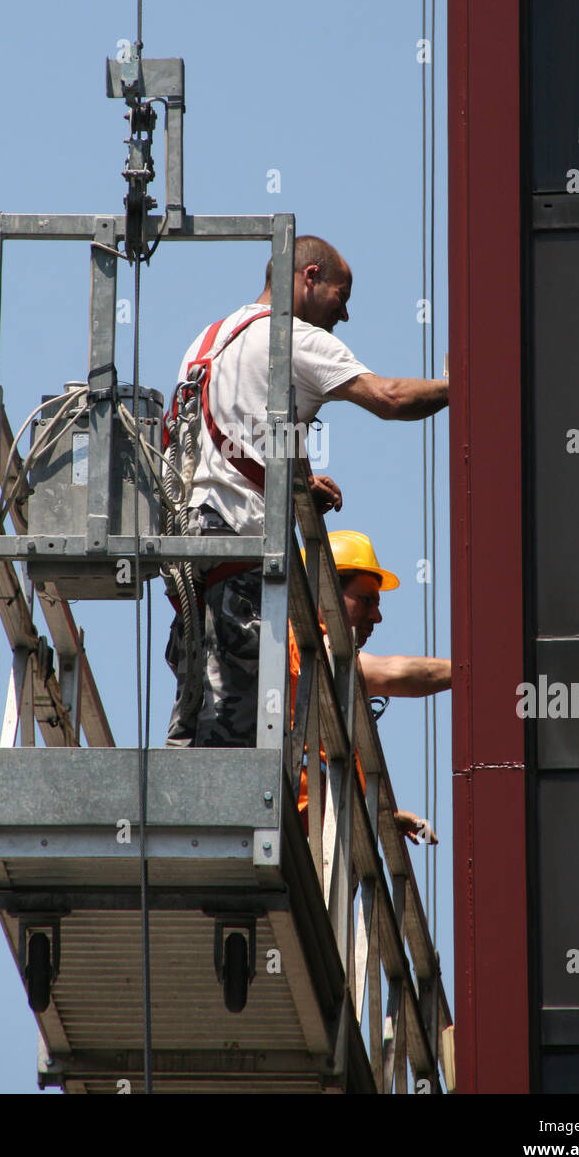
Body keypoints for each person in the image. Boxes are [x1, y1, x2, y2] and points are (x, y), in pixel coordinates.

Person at [165, 235, 449, 748]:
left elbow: (253, 426)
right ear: (309, 277)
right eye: (341, 298)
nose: (343, 316)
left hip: (194, 553)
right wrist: (462, 386)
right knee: (234, 743)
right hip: (243, 557)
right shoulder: (294, 338)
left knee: (197, 712)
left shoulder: (210, 339)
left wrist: (298, 482)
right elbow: (388, 398)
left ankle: (172, 818)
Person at [292, 529, 450, 845]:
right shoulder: (298, 644)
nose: (376, 616)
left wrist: (384, 813)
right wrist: (476, 670)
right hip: (296, 841)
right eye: (366, 600)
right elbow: (392, 673)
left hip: (316, 848)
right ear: (324, 593)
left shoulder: (316, 659)